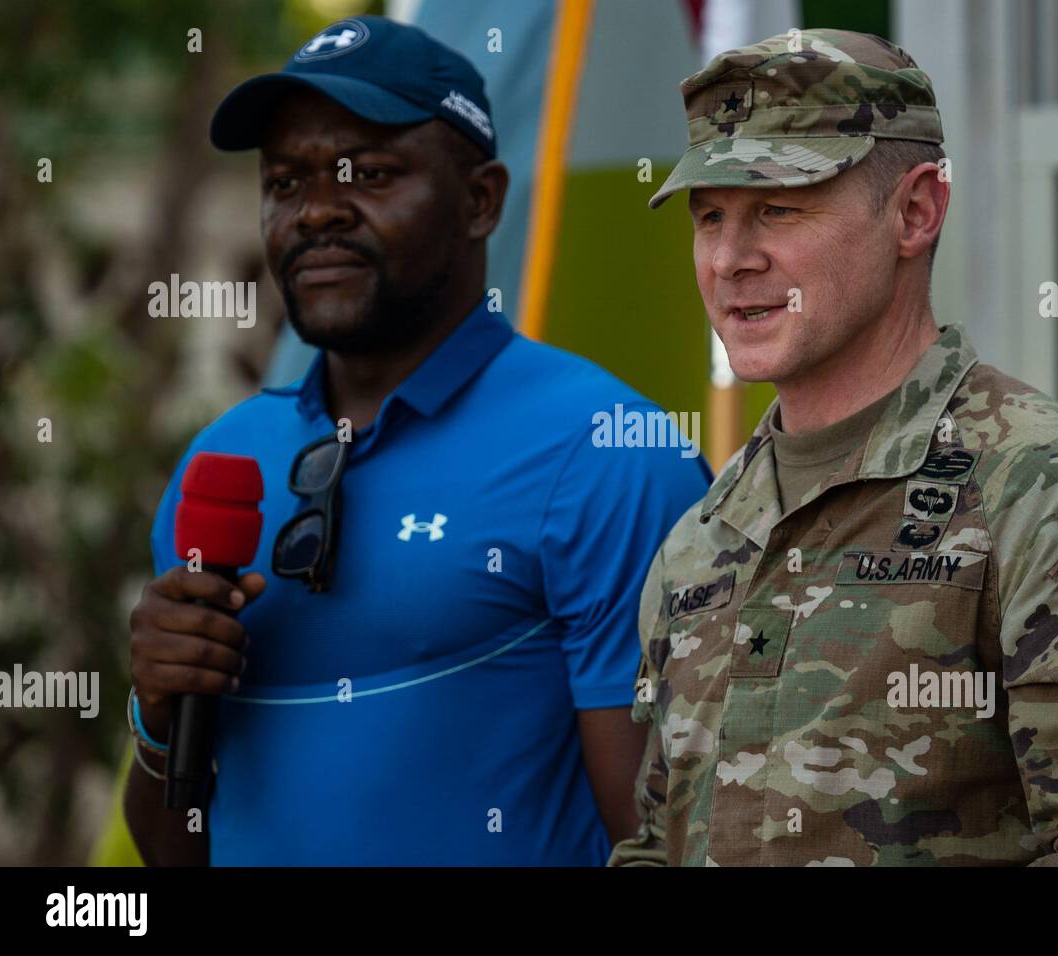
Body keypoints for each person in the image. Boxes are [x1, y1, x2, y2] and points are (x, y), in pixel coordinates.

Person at [609, 29, 1058, 866]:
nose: (730, 260)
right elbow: (658, 843)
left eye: (778, 209)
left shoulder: (1050, 499)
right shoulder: (702, 539)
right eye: (710, 216)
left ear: (915, 212)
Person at [124, 15, 711, 866]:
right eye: (286, 182)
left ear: (481, 201)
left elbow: (667, 842)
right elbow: (177, 852)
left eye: (367, 173)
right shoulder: (221, 466)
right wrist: (159, 715)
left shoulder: (610, 453)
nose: (318, 209)